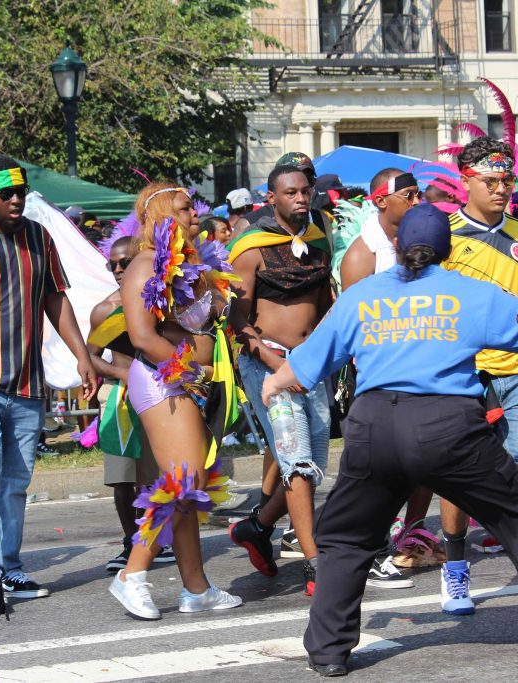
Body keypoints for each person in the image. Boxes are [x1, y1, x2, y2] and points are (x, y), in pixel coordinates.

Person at [259, 203, 518, 676]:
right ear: (448, 249)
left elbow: (304, 365)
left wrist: (273, 382)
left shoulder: (364, 296)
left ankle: (328, 652)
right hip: (449, 426)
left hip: (375, 424)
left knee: (345, 538)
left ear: (398, 246)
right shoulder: (471, 293)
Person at [0, 154, 97, 599]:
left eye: (20, 191)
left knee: (17, 481)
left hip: (27, 384)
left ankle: (9, 566)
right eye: (6, 193)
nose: (16, 199)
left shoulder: (39, 237)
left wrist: (83, 356)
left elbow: (55, 300)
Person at [109, 181, 242, 619]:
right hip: (163, 383)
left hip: (189, 385)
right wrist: (195, 374)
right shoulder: (144, 265)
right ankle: (132, 573)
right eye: (185, 210)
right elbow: (142, 337)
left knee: (191, 484)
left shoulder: (191, 265)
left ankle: (197, 588)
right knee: (184, 482)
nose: (195, 217)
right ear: (163, 214)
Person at [438, 136, 518, 614]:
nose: (502, 189)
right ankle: (455, 572)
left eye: (507, 180)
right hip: (463, 376)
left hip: (517, 372)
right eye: (491, 180)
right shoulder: (443, 234)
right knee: (459, 482)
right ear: (467, 181)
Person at [227, 164, 338, 596]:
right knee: (295, 462)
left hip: (311, 364)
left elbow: (325, 301)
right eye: (290, 192)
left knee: (313, 469)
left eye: (305, 191)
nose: (300, 198)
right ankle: (314, 563)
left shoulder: (316, 238)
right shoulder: (251, 247)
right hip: (271, 365)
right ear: (271, 198)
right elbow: (237, 318)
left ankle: (256, 527)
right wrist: (274, 363)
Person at [338, 168, 441, 575]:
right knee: (382, 467)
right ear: (382, 201)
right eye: (410, 195)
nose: (419, 202)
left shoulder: (424, 242)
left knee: (427, 459)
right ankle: (369, 547)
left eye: (420, 195)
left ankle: (413, 532)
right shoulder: (362, 255)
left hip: (427, 370)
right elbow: (353, 326)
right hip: (382, 379)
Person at [86, 236, 174, 571]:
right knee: (122, 478)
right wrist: (125, 374)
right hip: (121, 400)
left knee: (157, 474)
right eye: (114, 264)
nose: (120, 269)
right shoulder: (105, 309)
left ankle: (154, 538)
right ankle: (129, 542)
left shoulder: (159, 302)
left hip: (158, 394)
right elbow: (90, 357)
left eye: (126, 262)